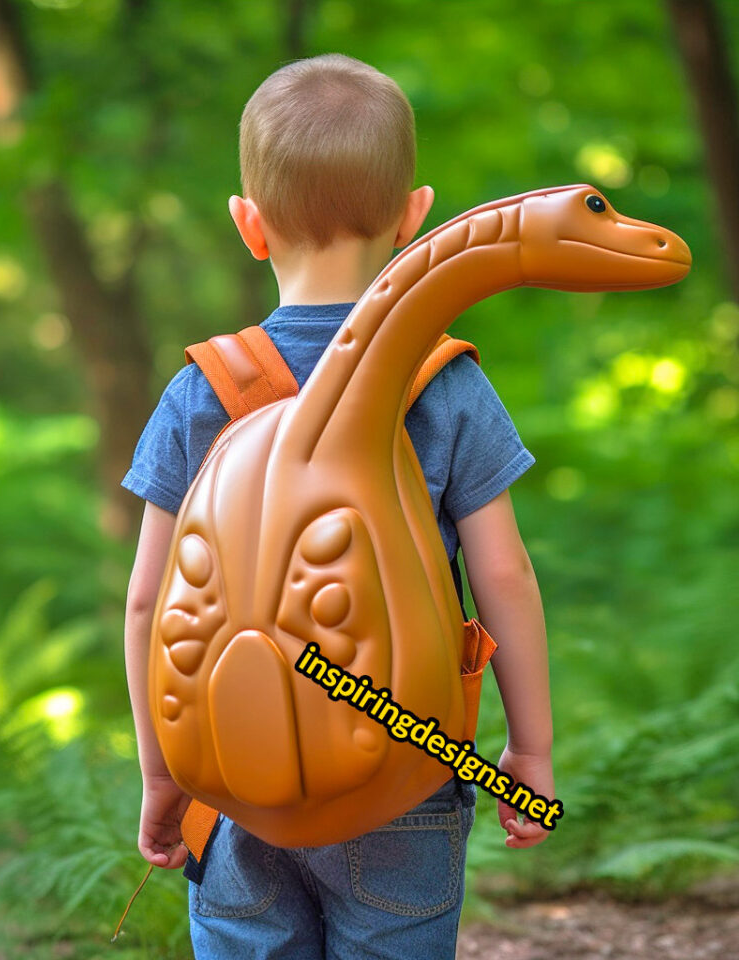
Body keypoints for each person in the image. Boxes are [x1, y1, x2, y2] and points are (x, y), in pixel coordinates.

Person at [121, 52, 554, 960]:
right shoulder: (446, 385)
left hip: (236, 784)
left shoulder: (202, 393)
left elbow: (150, 603)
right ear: (412, 218)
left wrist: (163, 771)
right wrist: (530, 752)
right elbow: (504, 575)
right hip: (409, 771)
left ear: (249, 225)